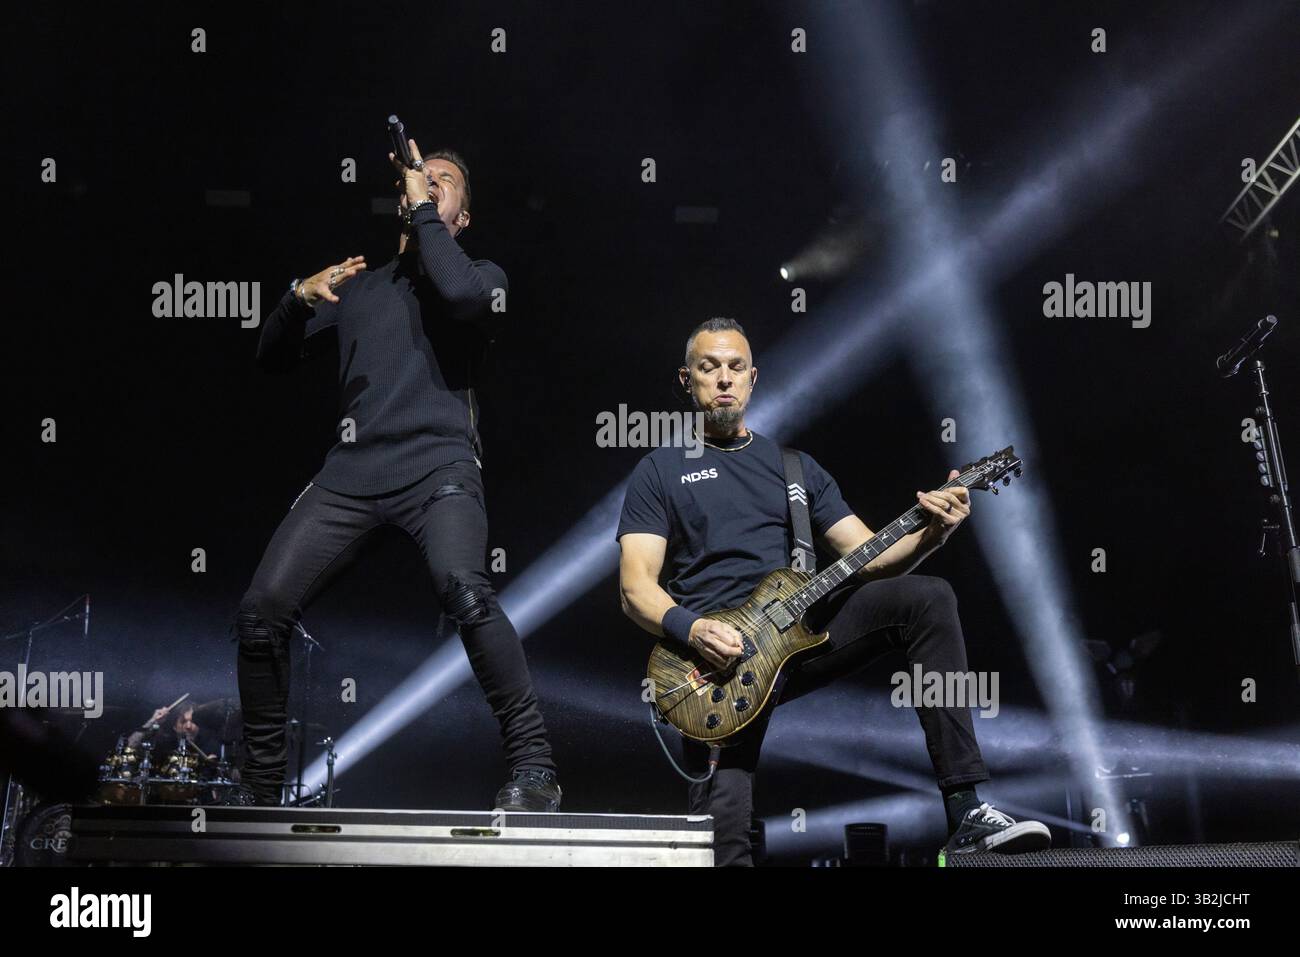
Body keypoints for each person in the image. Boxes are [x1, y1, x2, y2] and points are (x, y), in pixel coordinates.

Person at [616, 317, 1050, 865]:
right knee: (725, 838)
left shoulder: (795, 468)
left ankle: (965, 809)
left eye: (735, 367)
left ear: (753, 378)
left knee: (927, 597)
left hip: (801, 631)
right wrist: (694, 628)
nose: (723, 378)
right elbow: (635, 588)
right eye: (709, 367)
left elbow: (871, 556)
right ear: (687, 380)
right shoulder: (659, 470)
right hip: (713, 667)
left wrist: (934, 532)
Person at [234, 136, 559, 811]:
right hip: (352, 472)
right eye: (420, 176)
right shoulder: (361, 288)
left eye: (443, 182)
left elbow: (464, 299)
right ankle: (261, 791)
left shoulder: (479, 275)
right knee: (261, 612)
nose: (427, 181)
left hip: (438, 465)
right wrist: (298, 297)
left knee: (465, 589)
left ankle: (535, 768)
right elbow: (270, 360)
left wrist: (425, 216)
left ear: (459, 219)